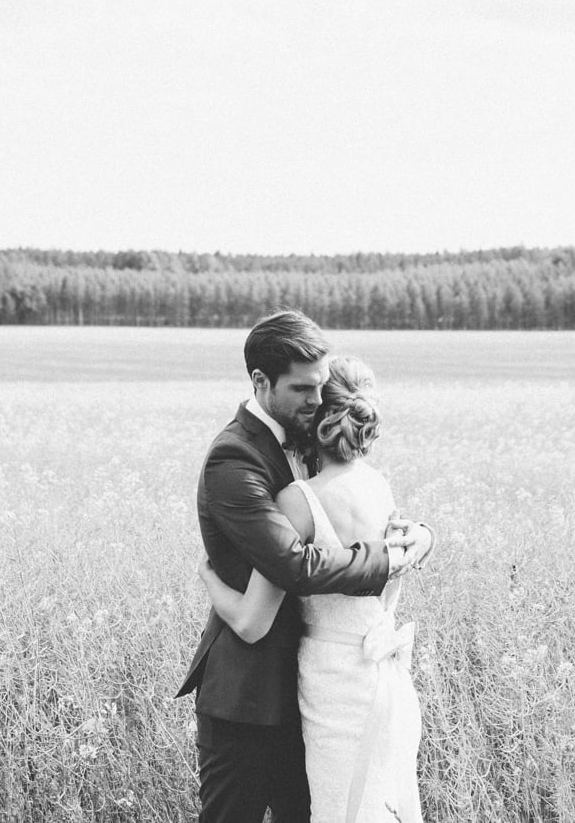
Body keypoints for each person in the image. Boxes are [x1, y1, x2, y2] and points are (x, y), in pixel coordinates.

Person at [178, 310, 432, 823]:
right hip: (248, 699)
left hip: (318, 692)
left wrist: (423, 536)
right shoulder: (234, 458)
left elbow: (351, 505)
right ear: (260, 382)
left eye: (320, 388)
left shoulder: (311, 436)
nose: (316, 401)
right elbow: (294, 566)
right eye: (301, 389)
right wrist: (389, 558)